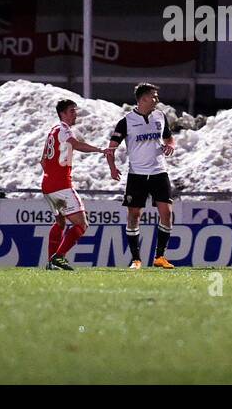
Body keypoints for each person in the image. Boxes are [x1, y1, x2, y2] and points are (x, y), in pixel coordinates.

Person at [107, 83, 177, 269]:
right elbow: (111, 148)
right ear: (143, 98)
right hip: (137, 175)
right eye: (154, 96)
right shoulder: (126, 121)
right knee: (134, 215)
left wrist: (171, 145)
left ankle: (159, 257)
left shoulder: (160, 116)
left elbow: (169, 137)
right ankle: (136, 259)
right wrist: (112, 168)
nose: (157, 99)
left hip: (159, 172)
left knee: (167, 213)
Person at [40, 99, 112, 271]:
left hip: (48, 184)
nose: (75, 114)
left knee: (60, 223)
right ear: (62, 114)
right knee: (81, 224)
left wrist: (53, 171)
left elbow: (42, 161)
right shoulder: (63, 129)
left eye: (75, 110)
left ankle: (51, 262)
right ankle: (59, 257)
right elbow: (76, 144)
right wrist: (99, 150)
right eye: (72, 111)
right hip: (61, 185)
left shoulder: (52, 131)